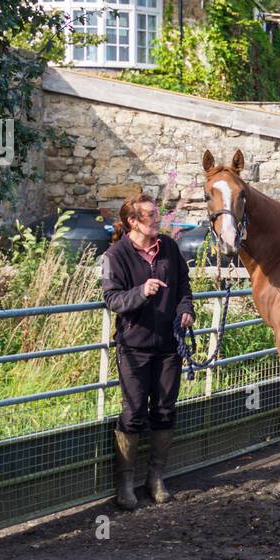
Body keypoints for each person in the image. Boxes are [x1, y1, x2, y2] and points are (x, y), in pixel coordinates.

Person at [101, 193, 194, 509]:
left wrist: (186, 310)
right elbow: (112, 299)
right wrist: (141, 292)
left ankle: (156, 478)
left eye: (158, 214)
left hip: (169, 344)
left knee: (165, 409)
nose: (158, 219)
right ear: (134, 221)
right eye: (153, 215)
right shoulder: (116, 256)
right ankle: (125, 484)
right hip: (134, 346)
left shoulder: (169, 248)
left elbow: (184, 286)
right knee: (134, 411)